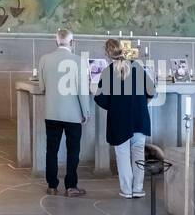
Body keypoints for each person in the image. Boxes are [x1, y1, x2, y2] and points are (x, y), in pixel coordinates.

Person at [94, 38, 155, 199]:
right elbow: (152, 90)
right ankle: (138, 188)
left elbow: (100, 98)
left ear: (107, 54)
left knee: (122, 154)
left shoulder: (108, 72)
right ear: (123, 50)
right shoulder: (137, 67)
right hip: (139, 117)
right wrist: (143, 103)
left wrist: (114, 107)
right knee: (138, 152)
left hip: (119, 119)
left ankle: (127, 190)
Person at [37, 29, 89, 197]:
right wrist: (85, 111)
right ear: (72, 43)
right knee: (73, 151)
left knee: (51, 150)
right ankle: (71, 186)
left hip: (52, 112)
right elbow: (83, 90)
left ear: (56, 42)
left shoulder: (44, 59)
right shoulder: (79, 61)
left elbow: (42, 87)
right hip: (73, 114)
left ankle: (52, 185)